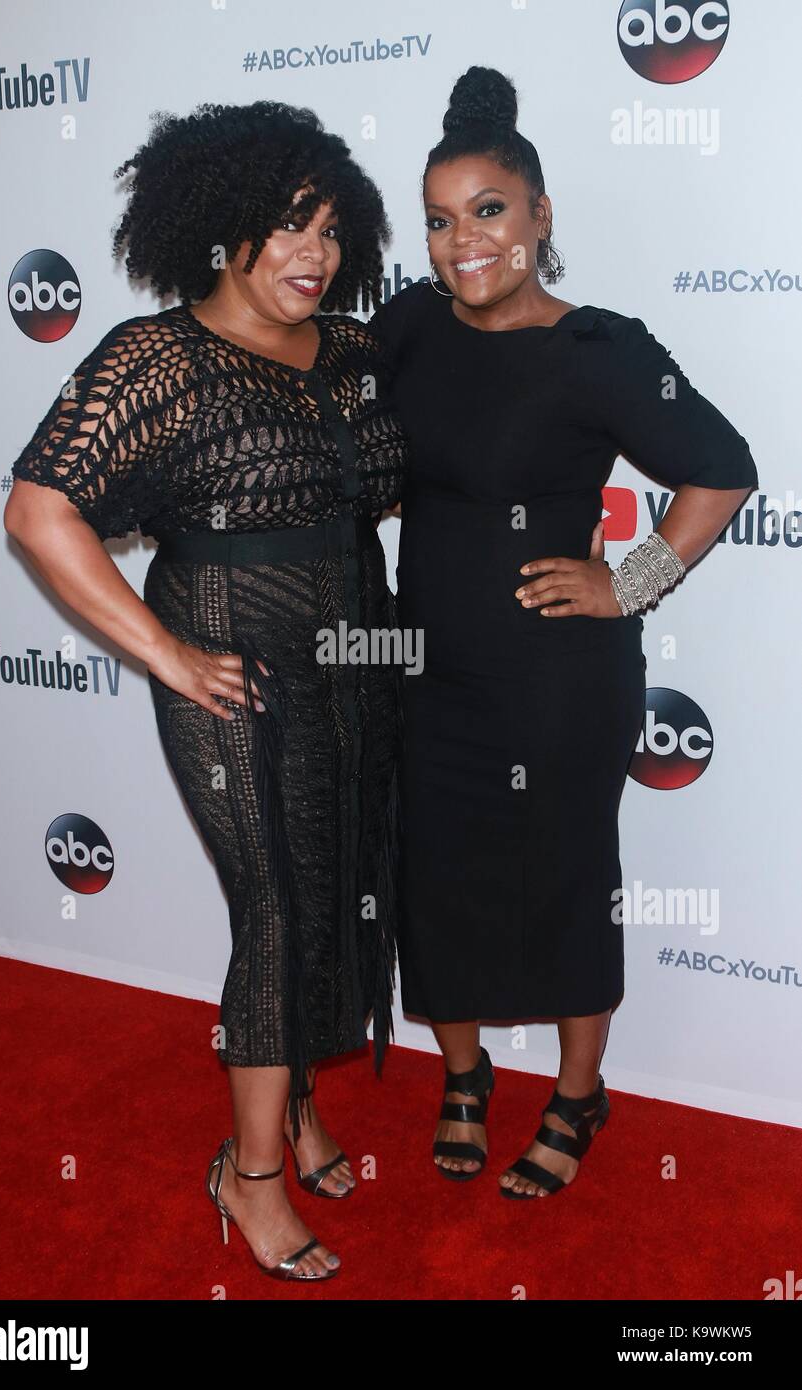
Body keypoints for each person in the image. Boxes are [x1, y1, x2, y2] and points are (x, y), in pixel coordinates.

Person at [5, 99, 407, 1276]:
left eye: (332, 231)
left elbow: (372, 498)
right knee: (279, 916)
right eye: (289, 224)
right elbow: (39, 512)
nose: (313, 254)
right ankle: (252, 1174)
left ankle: (295, 1109)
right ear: (223, 225)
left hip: (355, 663)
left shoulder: (353, 351)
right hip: (229, 676)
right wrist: (168, 656)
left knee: (338, 895)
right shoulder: (155, 359)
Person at [369, 67, 758, 1199]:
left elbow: (721, 470)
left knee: (565, 873)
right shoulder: (403, 326)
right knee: (431, 868)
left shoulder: (601, 346)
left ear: (539, 215)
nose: (462, 242)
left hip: (556, 675)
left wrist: (628, 581)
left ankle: (579, 1091)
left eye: (487, 210)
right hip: (425, 656)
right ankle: (463, 1071)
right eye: (439, 220)